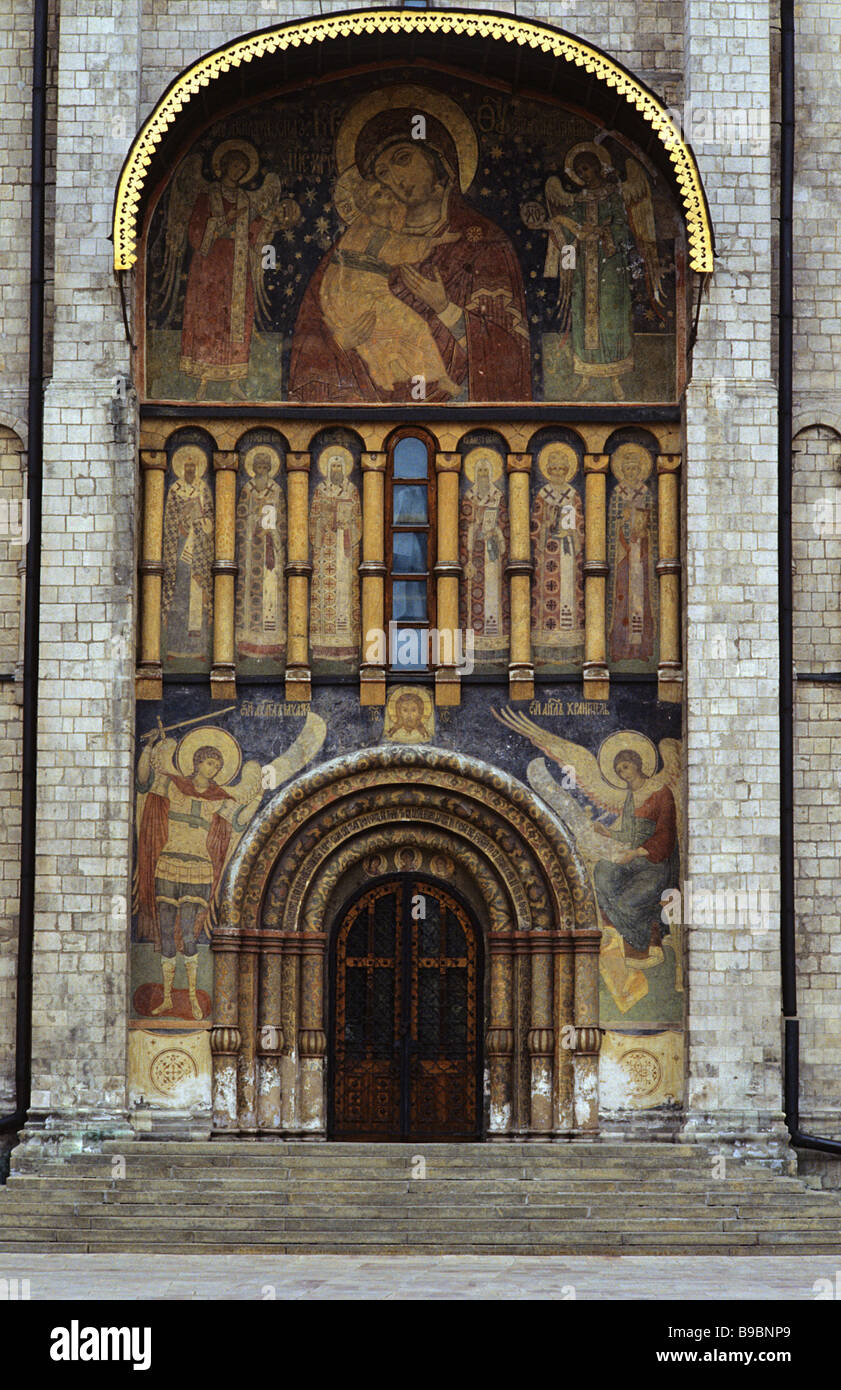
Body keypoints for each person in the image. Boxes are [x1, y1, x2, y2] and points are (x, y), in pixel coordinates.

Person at [289, 106, 532, 403]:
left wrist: (445, 308)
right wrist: (340, 342)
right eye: (383, 174)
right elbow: (311, 331)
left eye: (403, 159)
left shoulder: (482, 243)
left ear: (438, 159)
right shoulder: (350, 248)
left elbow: (507, 351)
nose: (395, 178)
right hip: (359, 404)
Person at [320, 171, 461, 397]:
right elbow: (400, 247)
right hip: (361, 295)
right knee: (416, 327)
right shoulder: (371, 232)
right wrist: (436, 241)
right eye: (378, 194)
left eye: (387, 191)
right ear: (367, 204)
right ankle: (440, 378)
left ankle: (390, 379)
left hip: (354, 296)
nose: (386, 194)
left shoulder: (366, 230)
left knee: (384, 339)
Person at [592, 749, 679, 960]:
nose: (623, 773)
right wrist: (608, 832)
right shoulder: (630, 797)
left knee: (625, 903)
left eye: (625, 766)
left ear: (637, 764)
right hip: (633, 861)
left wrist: (636, 853)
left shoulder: (661, 791)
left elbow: (666, 835)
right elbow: (629, 834)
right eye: (619, 770)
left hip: (654, 863)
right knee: (601, 870)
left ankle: (645, 943)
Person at [235, 449, 286, 660]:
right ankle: (248, 645)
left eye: (266, 467)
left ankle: (273, 645)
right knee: (250, 594)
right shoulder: (247, 490)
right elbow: (239, 519)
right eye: (259, 467)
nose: (262, 471)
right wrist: (252, 525)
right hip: (250, 552)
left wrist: (271, 531)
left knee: (271, 591)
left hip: (270, 549)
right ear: (254, 468)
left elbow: (282, 519)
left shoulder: (276, 490)